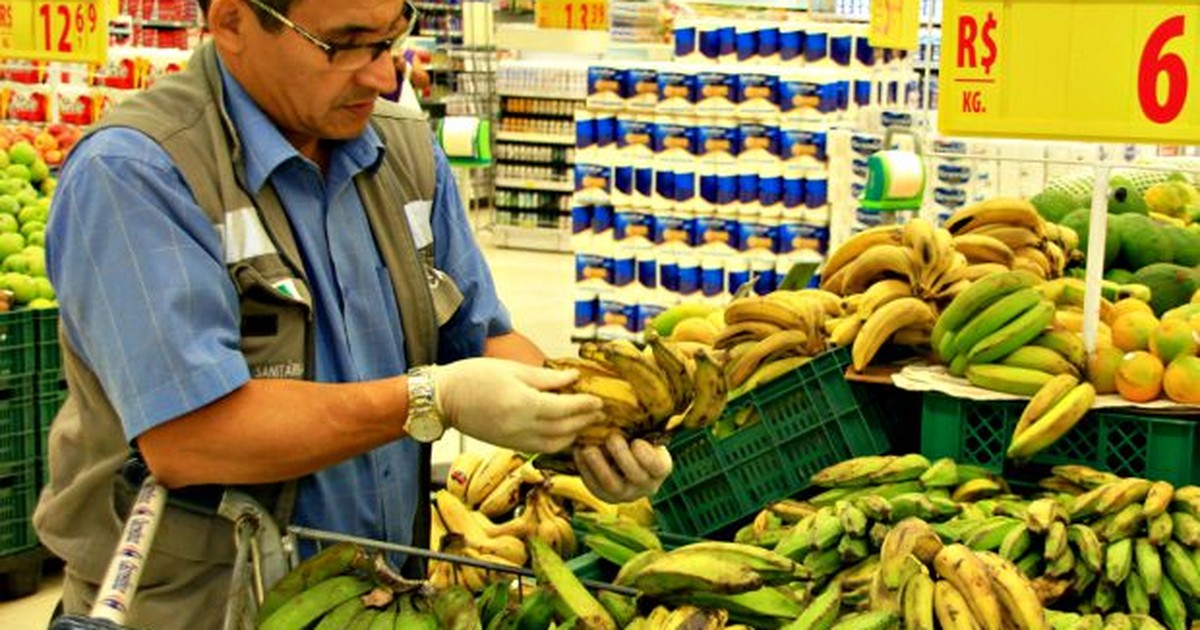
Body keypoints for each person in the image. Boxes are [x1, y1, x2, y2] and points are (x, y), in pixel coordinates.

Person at [33, 0, 672, 627]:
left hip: (383, 600)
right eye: (345, 44)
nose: (384, 74)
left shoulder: (401, 151)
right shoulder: (138, 174)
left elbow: (484, 338)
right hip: (208, 607)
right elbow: (191, 438)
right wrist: (429, 400)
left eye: (394, 36)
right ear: (232, 22)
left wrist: (590, 427)